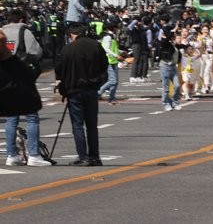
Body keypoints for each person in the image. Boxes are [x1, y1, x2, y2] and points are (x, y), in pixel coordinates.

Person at [54, 23, 107, 166]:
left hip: (74, 89)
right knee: (92, 125)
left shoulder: (67, 49)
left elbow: (59, 69)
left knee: (77, 125)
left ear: (72, 34)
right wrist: (98, 80)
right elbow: (104, 65)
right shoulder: (96, 45)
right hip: (91, 89)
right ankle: (95, 156)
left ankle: (83, 156)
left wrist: (62, 87)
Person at [0, 28, 48, 167]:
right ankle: (33, 154)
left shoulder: (4, 30)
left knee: (11, 118)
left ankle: (11, 155)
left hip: (5, 80)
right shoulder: (24, 31)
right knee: (32, 116)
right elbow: (36, 51)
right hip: (18, 76)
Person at [96, 19, 126, 105]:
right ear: (113, 28)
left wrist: (120, 52)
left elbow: (113, 48)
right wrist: (116, 55)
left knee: (115, 82)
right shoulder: (108, 37)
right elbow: (106, 49)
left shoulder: (111, 36)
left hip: (113, 60)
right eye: (116, 28)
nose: (117, 30)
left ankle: (112, 98)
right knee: (113, 81)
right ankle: (98, 93)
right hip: (109, 60)